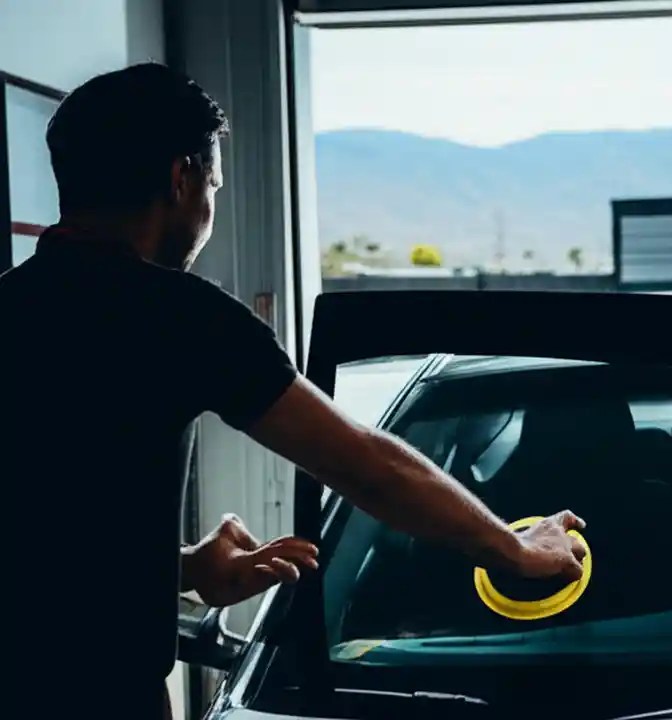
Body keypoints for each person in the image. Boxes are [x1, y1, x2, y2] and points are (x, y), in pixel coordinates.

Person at [0, 63, 586, 715]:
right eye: (212, 187)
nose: (207, 212)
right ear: (181, 177)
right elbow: (365, 467)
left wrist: (185, 569)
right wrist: (514, 548)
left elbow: (41, 525)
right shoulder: (180, 317)